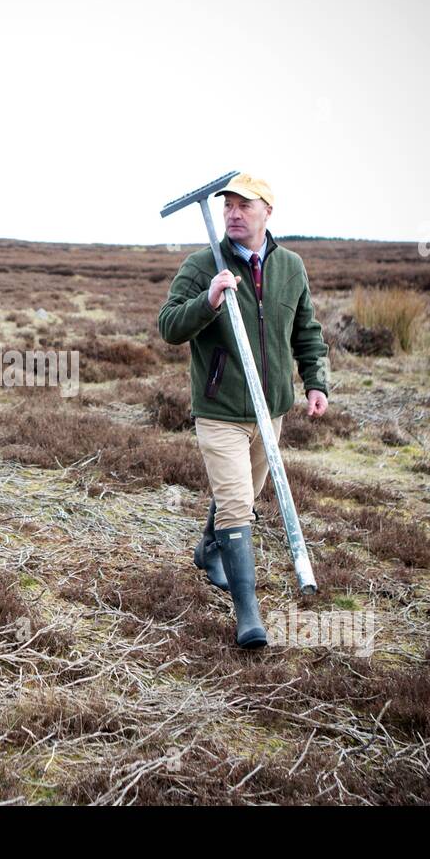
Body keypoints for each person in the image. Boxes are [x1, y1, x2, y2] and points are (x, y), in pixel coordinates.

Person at [157, 173, 329, 649]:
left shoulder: (290, 267)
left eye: (244, 205)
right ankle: (248, 614)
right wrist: (208, 300)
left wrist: (316, 382)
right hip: (221, 409)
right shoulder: (201, 265)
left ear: (267, 212)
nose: (233, 213)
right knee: (237, 506)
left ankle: (210, 547)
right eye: (228, 205)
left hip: (270, 411)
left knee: (242, 498)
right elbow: (169, 326)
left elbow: (306, 332)